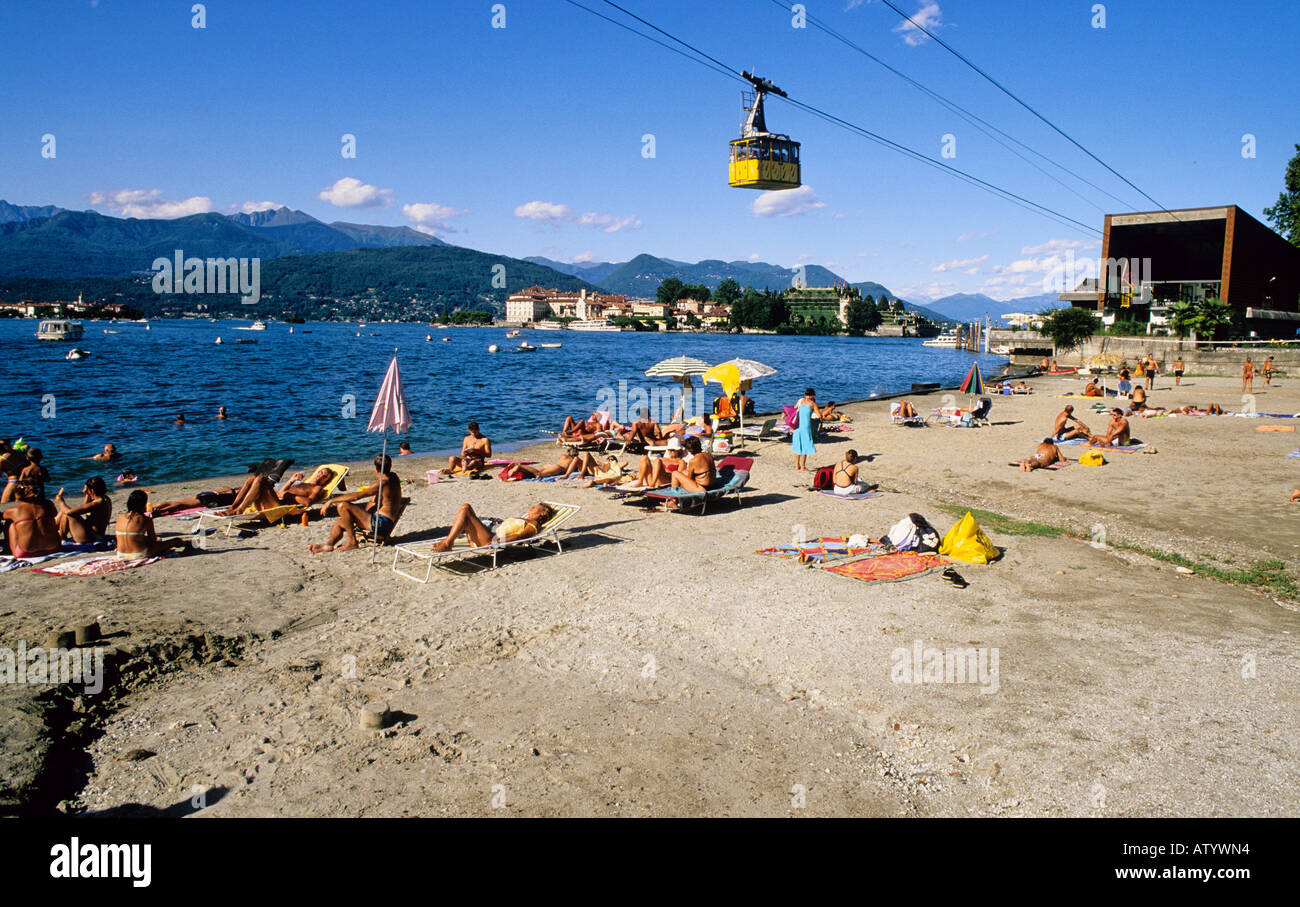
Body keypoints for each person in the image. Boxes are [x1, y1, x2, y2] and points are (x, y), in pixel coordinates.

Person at [310, 456, 404, 553]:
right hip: (380, 522)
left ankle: (352, 542)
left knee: (343, 506)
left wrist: (331, 501)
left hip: (380, 524)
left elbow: (356, 497)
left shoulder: (382, 484)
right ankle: (329, 545)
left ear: (375, 468)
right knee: (339, 523)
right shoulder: (393, 476)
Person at [430, 502, 555, 552]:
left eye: (534, 507)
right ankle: (448, 542)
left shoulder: (533, 525)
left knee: (466, 508)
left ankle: (448, 543)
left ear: (542, 513)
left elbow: (519, 536)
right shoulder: (524, 520)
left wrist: (498, 543)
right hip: (486, 534)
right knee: (465, 511)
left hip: (489, 540)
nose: (531, 508)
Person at [217, 467, 335, 516]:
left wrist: (290, 496)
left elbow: (308, 503)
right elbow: (280, 493)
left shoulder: (318, 488)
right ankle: (233, 508)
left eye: (324, 476)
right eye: (320, 472)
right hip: (277, 499)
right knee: (251, 479)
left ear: (325, 481)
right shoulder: (303, 483)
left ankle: (239, 509)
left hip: (281, 506)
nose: (320, 476)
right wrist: (291, 480)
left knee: (260, 479)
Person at [115, 490, 193, 561]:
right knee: (176, 540)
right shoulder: (145, 519)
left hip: (120, 554)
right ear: (143, 504)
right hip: (139, 554)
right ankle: (185, 543)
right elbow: (153, 542)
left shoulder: (119, 517)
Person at [1, 482, 61, 559]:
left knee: (11, 522)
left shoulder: (14, 511)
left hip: (25, 552)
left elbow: (2, 516)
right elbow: (55, 513)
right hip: (53, 548)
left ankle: (8, 548)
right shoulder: (48, 504)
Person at [54, 477, 112, 543]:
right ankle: (51, 530)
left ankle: (62, 539)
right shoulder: (105, 499)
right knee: (63, 511)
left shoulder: (96, 504)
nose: (83, 491)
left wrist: (60, 502)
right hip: (93, 534)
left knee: (67, 514)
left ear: (92, 490)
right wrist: (88, 494)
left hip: (92, 537)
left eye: (86, 489)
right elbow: (85, 505)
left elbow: (68, 512)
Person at [148, 486, 242, 517]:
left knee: (174, 502)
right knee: (179, 505)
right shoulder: (236, 493)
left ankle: (154, 507)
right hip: (207, 498)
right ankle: (159, 511)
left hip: (206, 494)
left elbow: (222, 490)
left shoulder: (232, 489)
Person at [791, 388, 818, 471]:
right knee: (805, 445)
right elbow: (819, 415)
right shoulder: (812, 404)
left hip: (797, 426)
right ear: (814, 395)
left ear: (805, 394)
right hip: (806, 426)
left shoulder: (800, 400)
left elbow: (794, 410)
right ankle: (802, 466)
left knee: (797, 445)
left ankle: (796, 465)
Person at [0, 440, 29, 504]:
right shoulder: (18, 452)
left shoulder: (2, 460)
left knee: (4, 505)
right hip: (26, 481)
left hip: (13, 483)